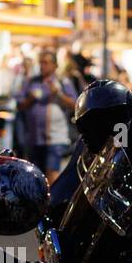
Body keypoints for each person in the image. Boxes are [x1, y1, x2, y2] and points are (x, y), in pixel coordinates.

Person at [17, 49, 78, 182]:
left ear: (55, 65)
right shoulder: (31, 82)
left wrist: (58, 94)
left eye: (46, 63)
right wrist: (30, 99)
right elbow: (19, 105)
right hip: (34, 137)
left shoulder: (63, 82)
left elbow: (75, 105)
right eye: (41, 63)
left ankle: (51, 202)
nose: (42, 66)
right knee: (36, 175)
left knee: (51, 174)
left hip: (55, 138)